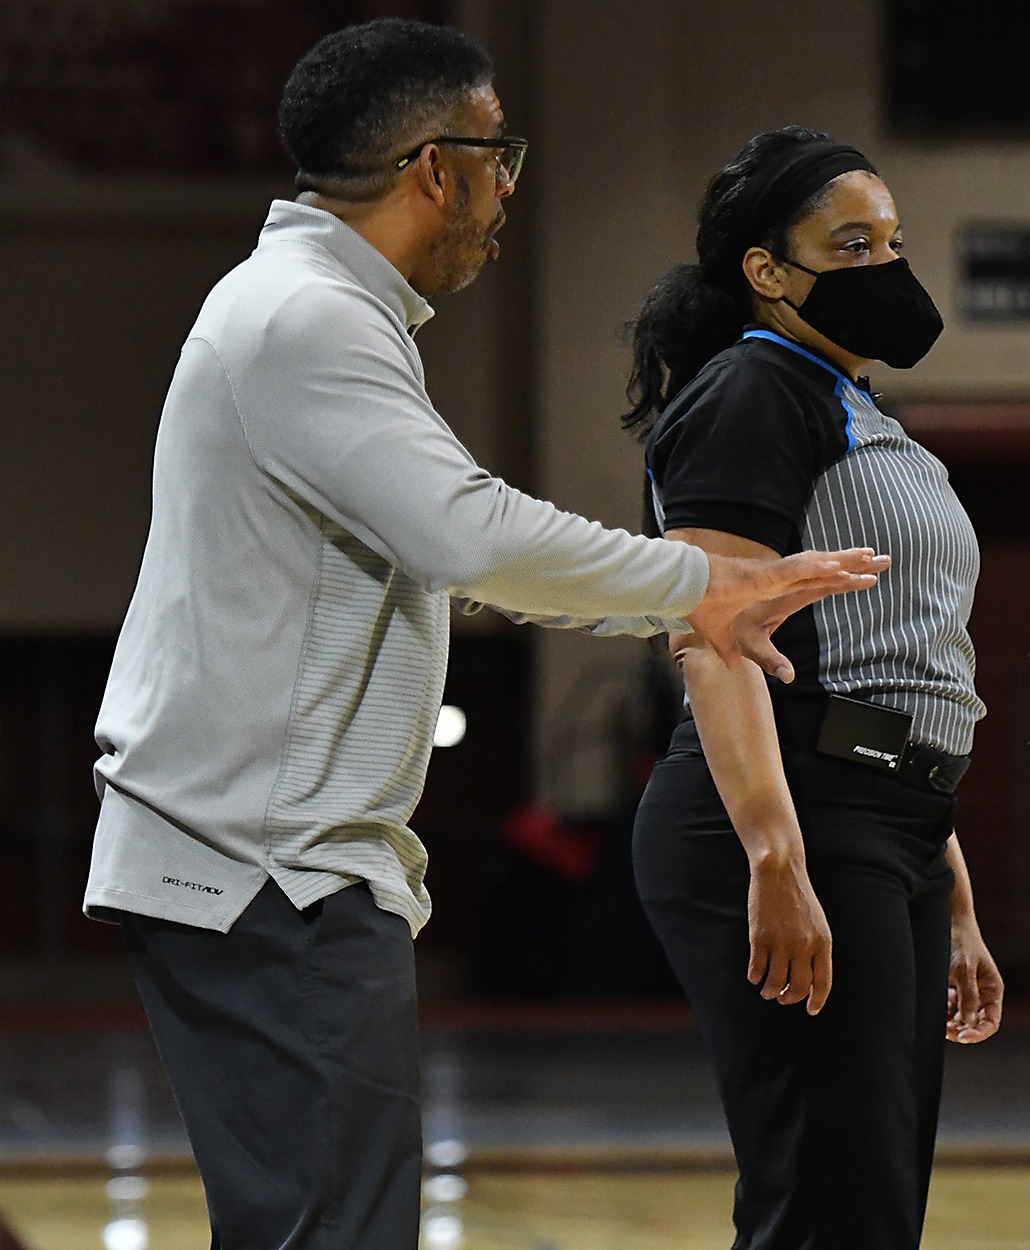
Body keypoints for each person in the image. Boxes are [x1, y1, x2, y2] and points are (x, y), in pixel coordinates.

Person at [85, 23, 884, 1250]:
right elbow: (471, 536)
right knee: (337, 1231)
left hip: (261, 848)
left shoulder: (311, 307)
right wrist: (700, 585)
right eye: (498, 152)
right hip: (264, 862)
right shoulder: (306, 316)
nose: (509, 185)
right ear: (432, 166)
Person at [621, 127, 1003, 1250]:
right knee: (826, 1199)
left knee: (867, 1201)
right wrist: (774, 857)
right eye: (850, 243)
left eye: (890, 239)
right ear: (766, 272)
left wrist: (955, 885)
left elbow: (908, 659)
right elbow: (713, 639)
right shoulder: (751, 389)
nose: (884, 265)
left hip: (885, 817)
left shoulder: (858, 406)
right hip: (790, 811)